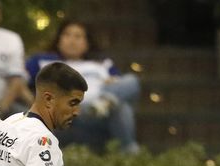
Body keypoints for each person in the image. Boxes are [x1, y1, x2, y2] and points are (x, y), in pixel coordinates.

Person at [26, 19, 141, 154]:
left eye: (78, 36)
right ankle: (130, 152)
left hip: (99, 114)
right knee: (120, 106)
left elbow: (120, 85)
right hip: (72, 110)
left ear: (87, 43)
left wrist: (112, 82)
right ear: (59, 40)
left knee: (131, 81)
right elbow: (21, 81)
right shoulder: (42, 60)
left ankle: (103, 103)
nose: (72, 41)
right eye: (67, 35)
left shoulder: (102, 63)